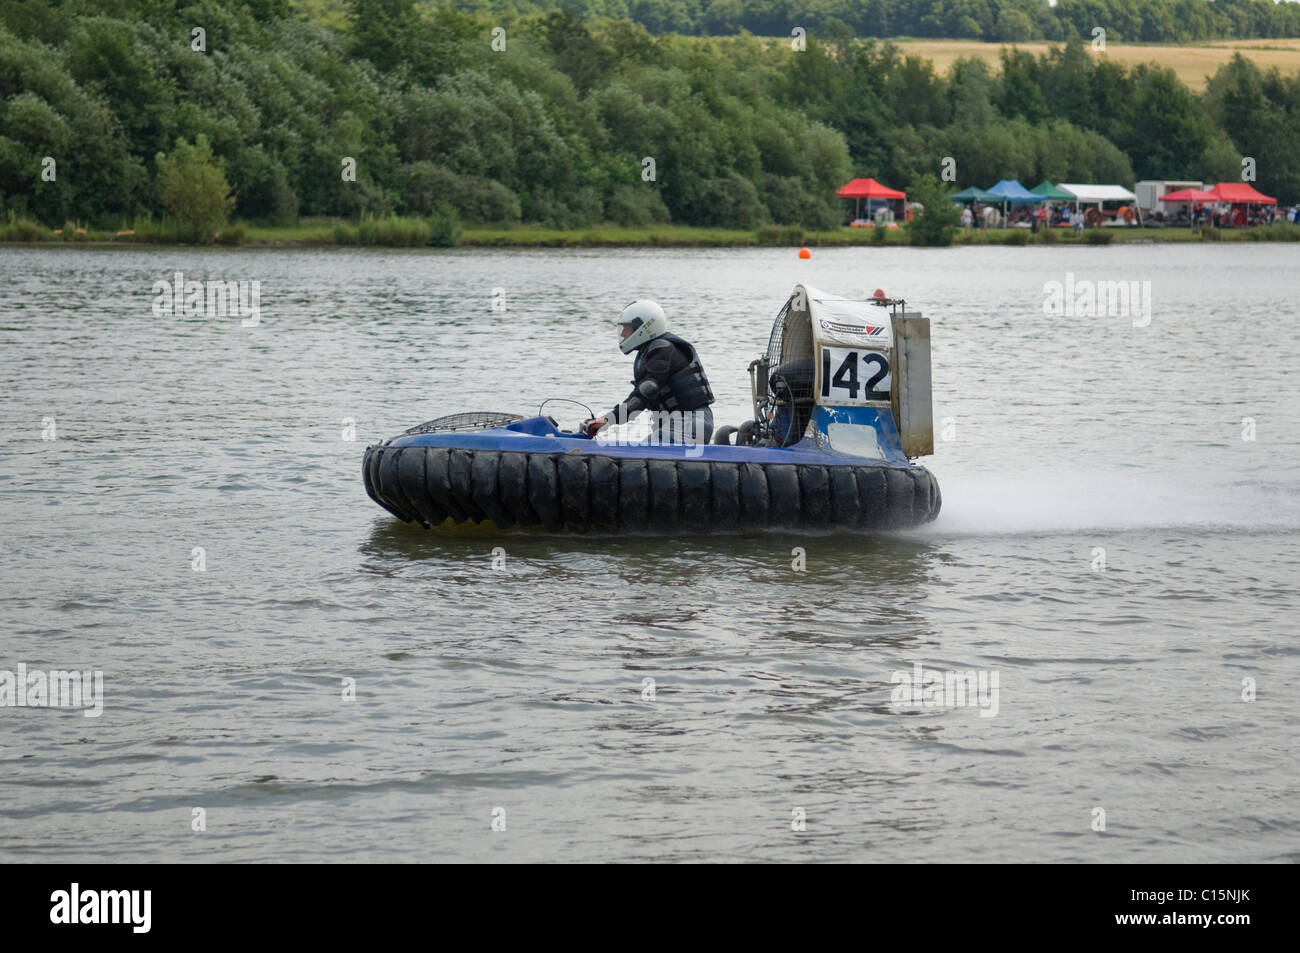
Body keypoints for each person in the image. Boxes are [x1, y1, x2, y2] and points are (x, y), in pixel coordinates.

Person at [583, 300, 714, 446]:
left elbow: (643, 395)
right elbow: (639, 398)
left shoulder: (663, 349)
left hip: (690, 421)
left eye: (628, 328)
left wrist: (606, 420)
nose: (623, 333)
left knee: (644, 454)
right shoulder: (650, 351)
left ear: (644, 328)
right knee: (644, 449)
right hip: (678, 423)